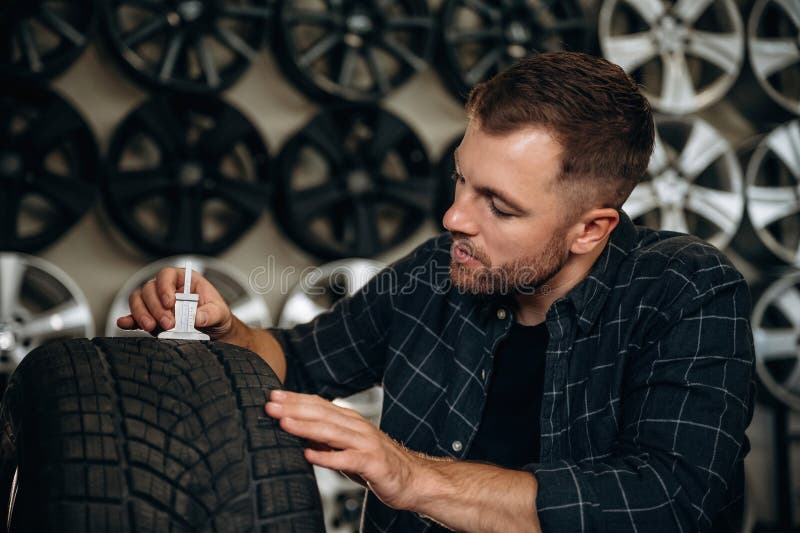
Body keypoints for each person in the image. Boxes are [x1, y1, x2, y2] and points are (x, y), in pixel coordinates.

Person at [118, 51, 755, 532]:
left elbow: (668, 499)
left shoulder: (684, 289)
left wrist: (411, 476)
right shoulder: (437, 271)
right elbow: (300, 361)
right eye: (461, 182)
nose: (454, 218)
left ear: (590, 229)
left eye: (499, 207)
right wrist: (225, 332)